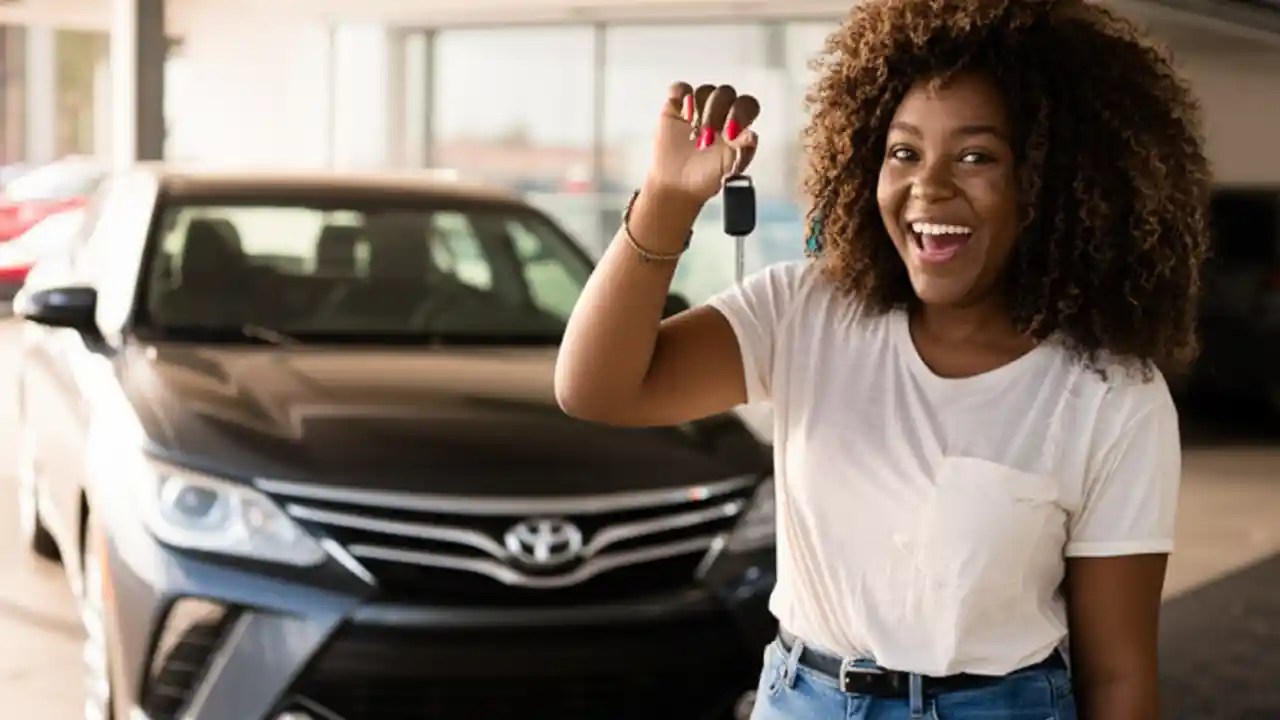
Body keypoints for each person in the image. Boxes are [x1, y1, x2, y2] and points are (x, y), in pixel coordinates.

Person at [554, 0, 1211, 717]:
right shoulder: (807, 311)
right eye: (904, 152)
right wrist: (667, 198)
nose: (928, 186)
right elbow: (598, 389)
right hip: (804, 700)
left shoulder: (1110, 395)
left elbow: (1117, 675)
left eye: (976, 155)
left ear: (1050, 183)